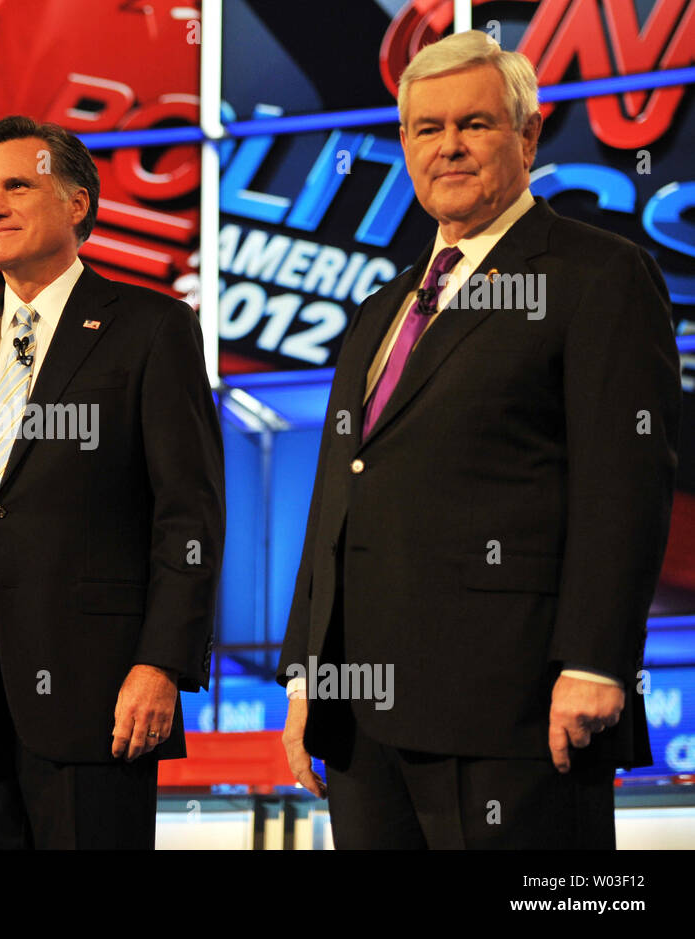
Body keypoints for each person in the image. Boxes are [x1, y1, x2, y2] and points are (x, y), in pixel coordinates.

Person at [278, 31, 680, 849]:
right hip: (360, 719)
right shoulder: (380, 307)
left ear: (528, 137)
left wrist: (597, 660)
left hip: (516, 707)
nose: (449, 146)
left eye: (476, 124)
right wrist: (306, 676)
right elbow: (338, 499)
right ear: (403, 146)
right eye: (427, 129)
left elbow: (624, 481)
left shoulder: (598, 274)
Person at [0, 116, 225, 849]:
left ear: (77, 203)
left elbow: (188, 517)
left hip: (99, 701)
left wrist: (162, 661)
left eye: (16, 187)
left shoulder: (152, 329)